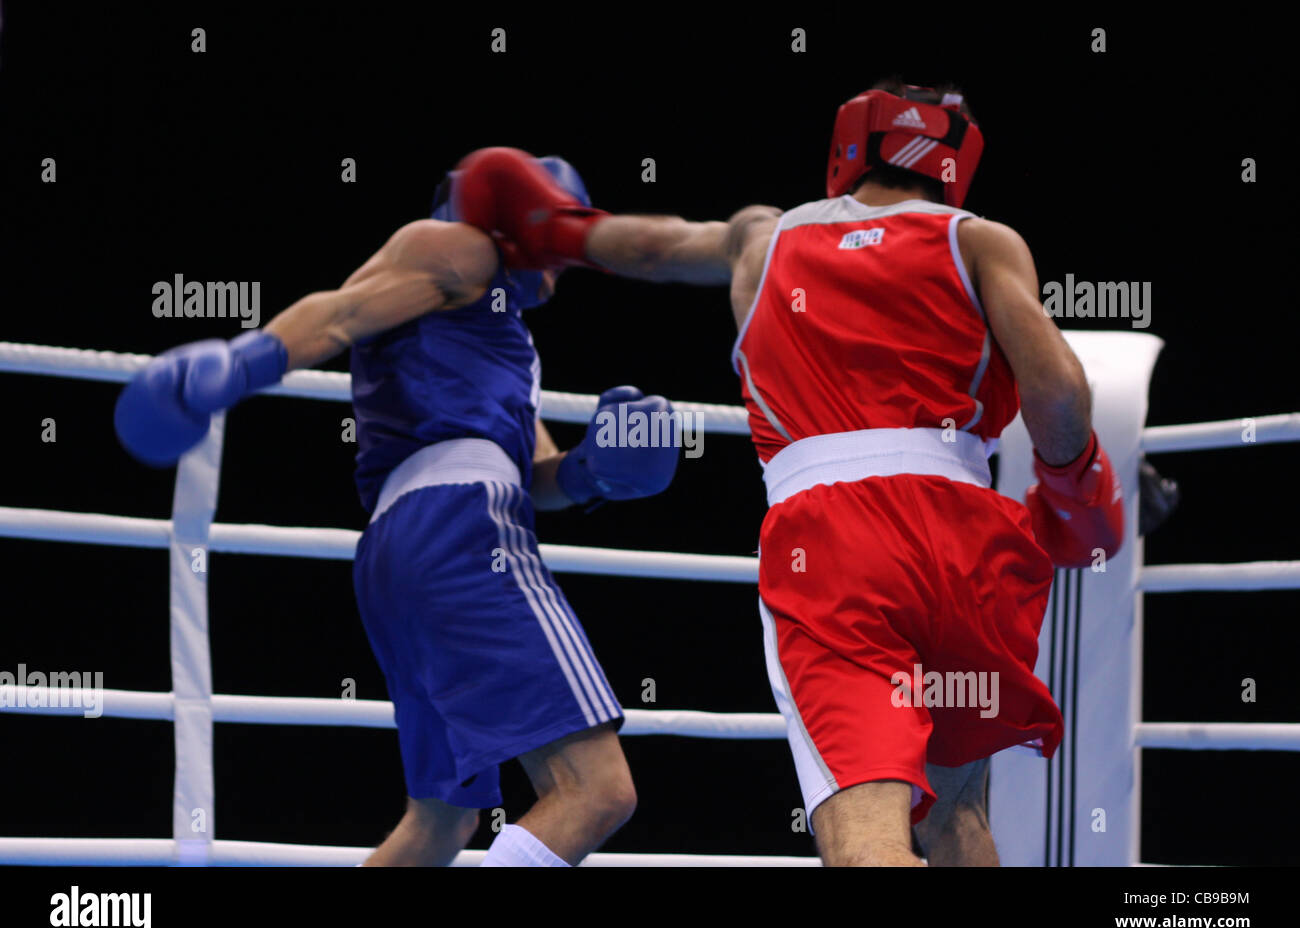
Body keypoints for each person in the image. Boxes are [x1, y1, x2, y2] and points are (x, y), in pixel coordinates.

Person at [450, 81, 1125, 866]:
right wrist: (1078, 494)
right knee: (958, 819)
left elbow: (645, 248)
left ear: (850, 146)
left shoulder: (764, 241)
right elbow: (1059, 391)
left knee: (864, 841)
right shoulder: (981, 240)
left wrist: (547, 227)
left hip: (837, 548)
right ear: (951, 165)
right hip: (970, 543)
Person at [113, 157, 681, 867]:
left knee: (440, 825)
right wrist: (241, 363)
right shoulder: (460, 247)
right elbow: (338, 314)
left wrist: (597, 472)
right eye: (559, 241)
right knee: (597, 791)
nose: (564, 268)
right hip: (465, 531)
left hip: (405, 547)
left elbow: (537, 480)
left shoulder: (496, 334)